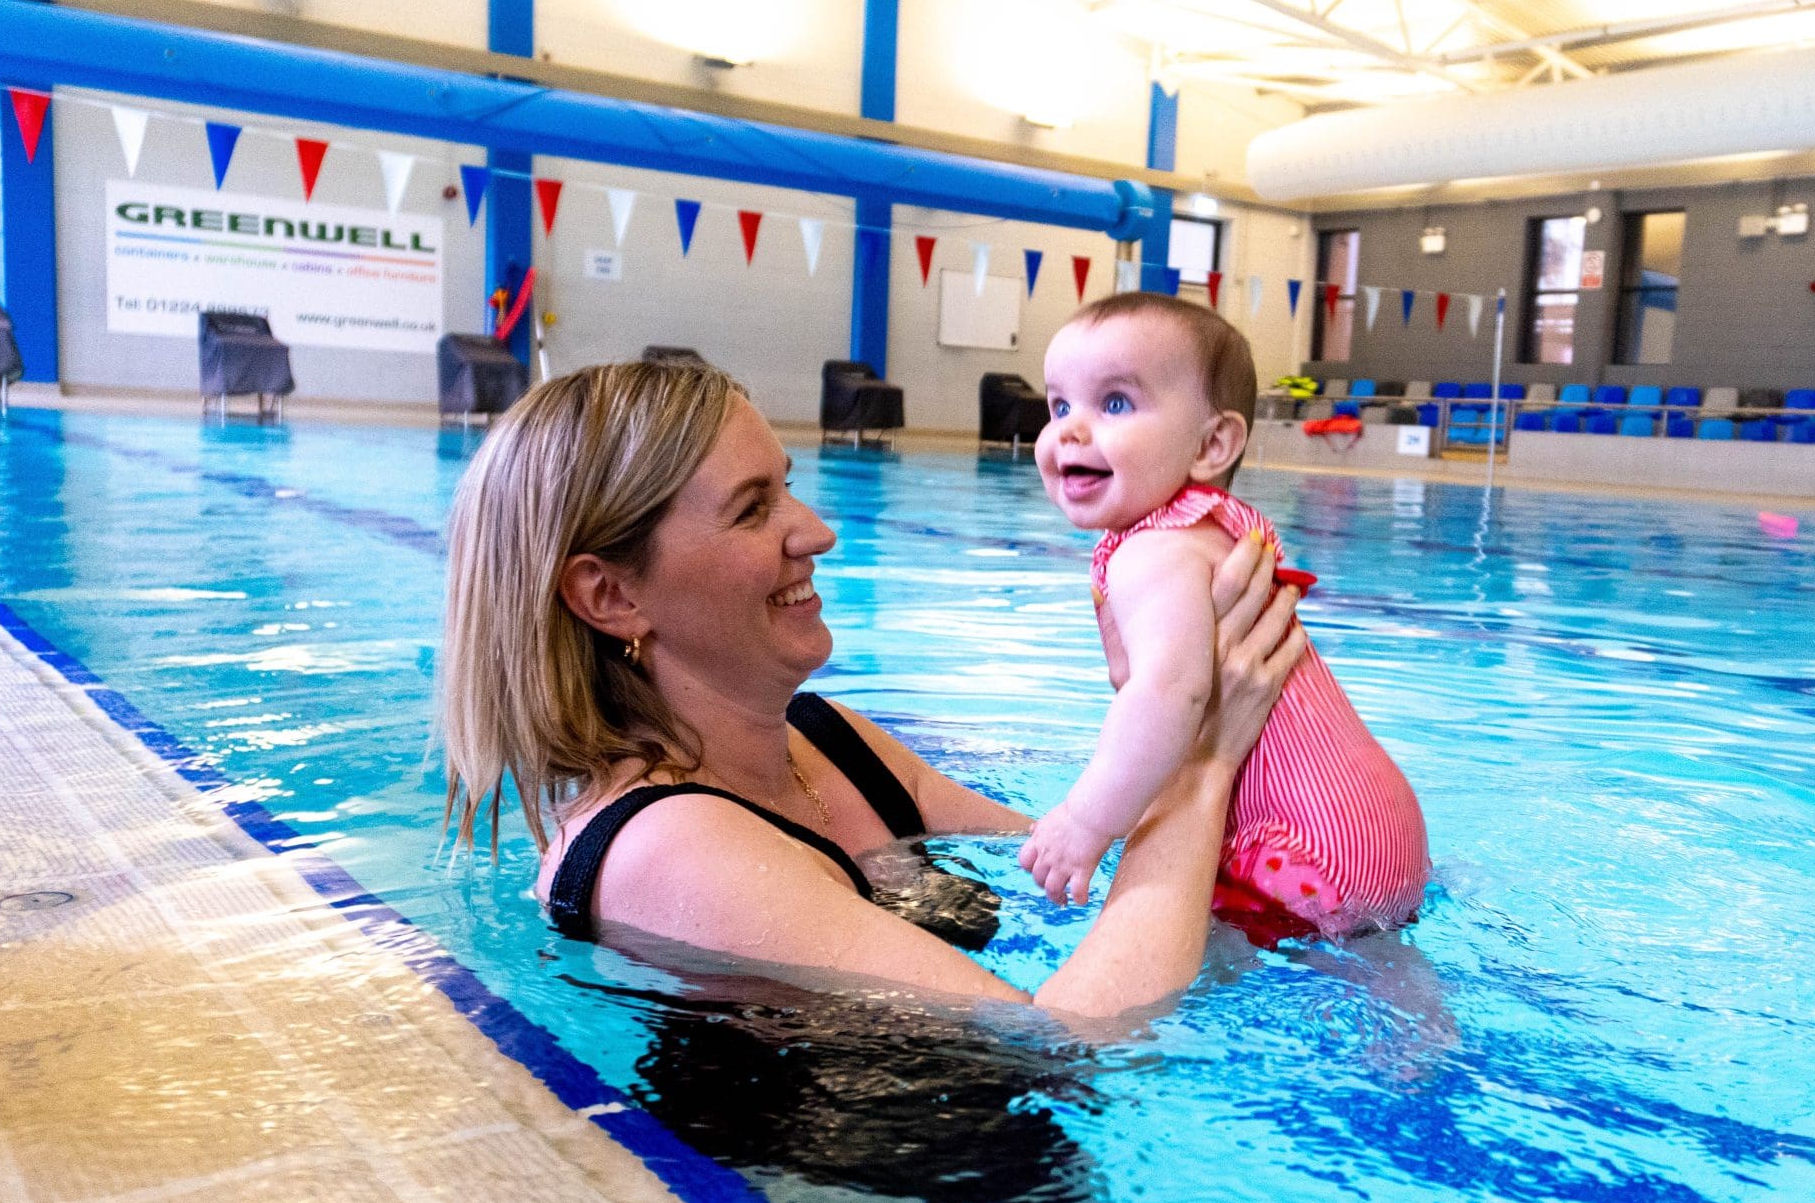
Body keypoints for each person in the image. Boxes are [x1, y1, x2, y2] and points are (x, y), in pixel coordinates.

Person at [436, 359, 1308, 1021]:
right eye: (751, 509)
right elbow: (1070, 1046)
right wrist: (1201, 760)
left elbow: (1080, 871)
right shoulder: (666, 850)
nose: (815, 531)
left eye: (788, 486)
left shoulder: (828, 743)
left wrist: (1156, 702)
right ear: (612, 596)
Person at [1019, 292, 1431, 939]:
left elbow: (1169, 694)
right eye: (1060, 405)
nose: (1069, 429)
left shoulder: (1153, 550)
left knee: (1187, 953)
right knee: (1382, 966)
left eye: (1116, 403)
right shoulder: (1217, 530)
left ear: (1214, 444)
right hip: (1377, 827)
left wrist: (1086, 820)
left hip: (1300, 852)